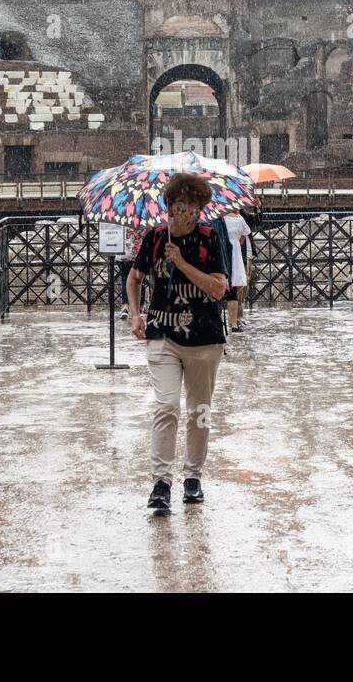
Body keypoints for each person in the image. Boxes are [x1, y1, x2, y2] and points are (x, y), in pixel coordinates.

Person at [127, 173, 229, 511]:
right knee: (166, 406)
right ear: (168, 206)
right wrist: (135, 313)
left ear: (199, 209)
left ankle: (193, 476)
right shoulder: (155, 237)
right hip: (163, 335)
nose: (181, 212)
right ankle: (160, 482)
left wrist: (182, 263)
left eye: (188, 207)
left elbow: (218, 289)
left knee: (199, 412)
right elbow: (135, 276)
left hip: (205, 340)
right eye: (175, 205)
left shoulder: (211, 238)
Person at [223, 207, 251, 332]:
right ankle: (234, 324)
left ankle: (225, 320)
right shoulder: (240, 219)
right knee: (234, 287)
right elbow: (242, 238)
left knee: (225, 284)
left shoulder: (220, 219)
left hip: (223, 250)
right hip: (236, 252)